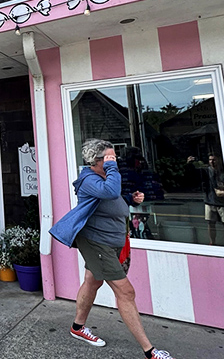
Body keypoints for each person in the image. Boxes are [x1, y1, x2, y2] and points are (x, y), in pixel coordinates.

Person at [49, 139, 175, 359]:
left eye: (113, 157)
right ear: (97, 161)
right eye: (109, 157)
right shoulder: (88, 179)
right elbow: (110, 191)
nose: (114, 160)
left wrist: (129, 199)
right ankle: (150, 351)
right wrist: (112, 168)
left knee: (92, 281)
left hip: (112, 240)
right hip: (97, 242)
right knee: (126, 292)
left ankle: (78, 328)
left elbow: (111, 199)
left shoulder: (105, 177)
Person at [203, 153, 224, 245]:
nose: (212, 162)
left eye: (214, 160)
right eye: (210, 160)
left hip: (222, 202)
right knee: (210, 223)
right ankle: (212, 242)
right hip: (210, 200)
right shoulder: (207, 171)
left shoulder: (222, 172)